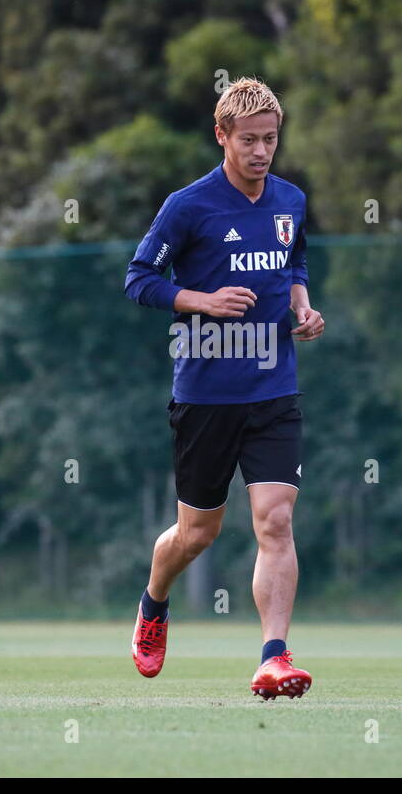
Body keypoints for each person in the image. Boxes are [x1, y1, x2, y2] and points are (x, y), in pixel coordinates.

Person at [124, 78, 325, 699]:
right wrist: (201, 301)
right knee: (196, 535)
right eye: (249, 141)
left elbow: (293, 263)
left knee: (276, 520)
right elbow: (138, 278)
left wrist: (303, 307)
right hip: (206, 395)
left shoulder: (291, 199)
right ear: (222, 137)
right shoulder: (188, 206)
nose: (262, 151)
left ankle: (273, 656)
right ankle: (154, 602)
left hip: (273, 391)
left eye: (270, 139)